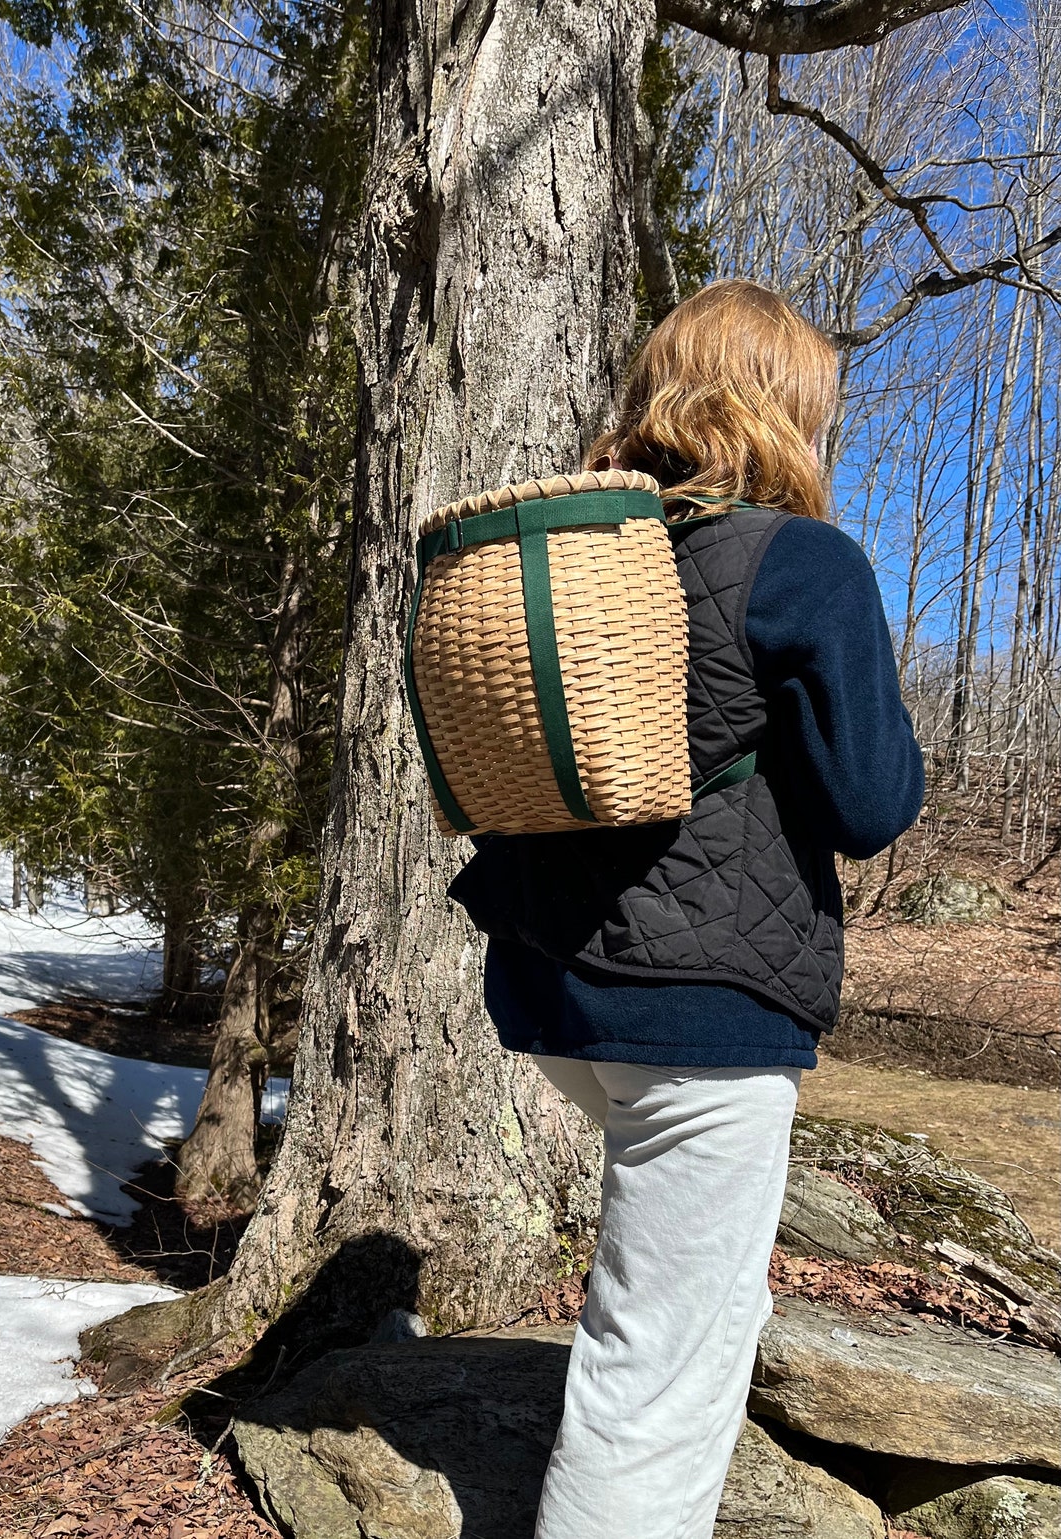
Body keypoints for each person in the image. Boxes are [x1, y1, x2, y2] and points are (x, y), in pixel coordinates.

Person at [447, 279, 925, 1539]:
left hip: (551, 989)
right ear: (788, 408)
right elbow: (874, 802)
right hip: (703, 1012)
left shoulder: (587, 549)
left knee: (697, 1308)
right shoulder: (802, 561)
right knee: (661, 1359)